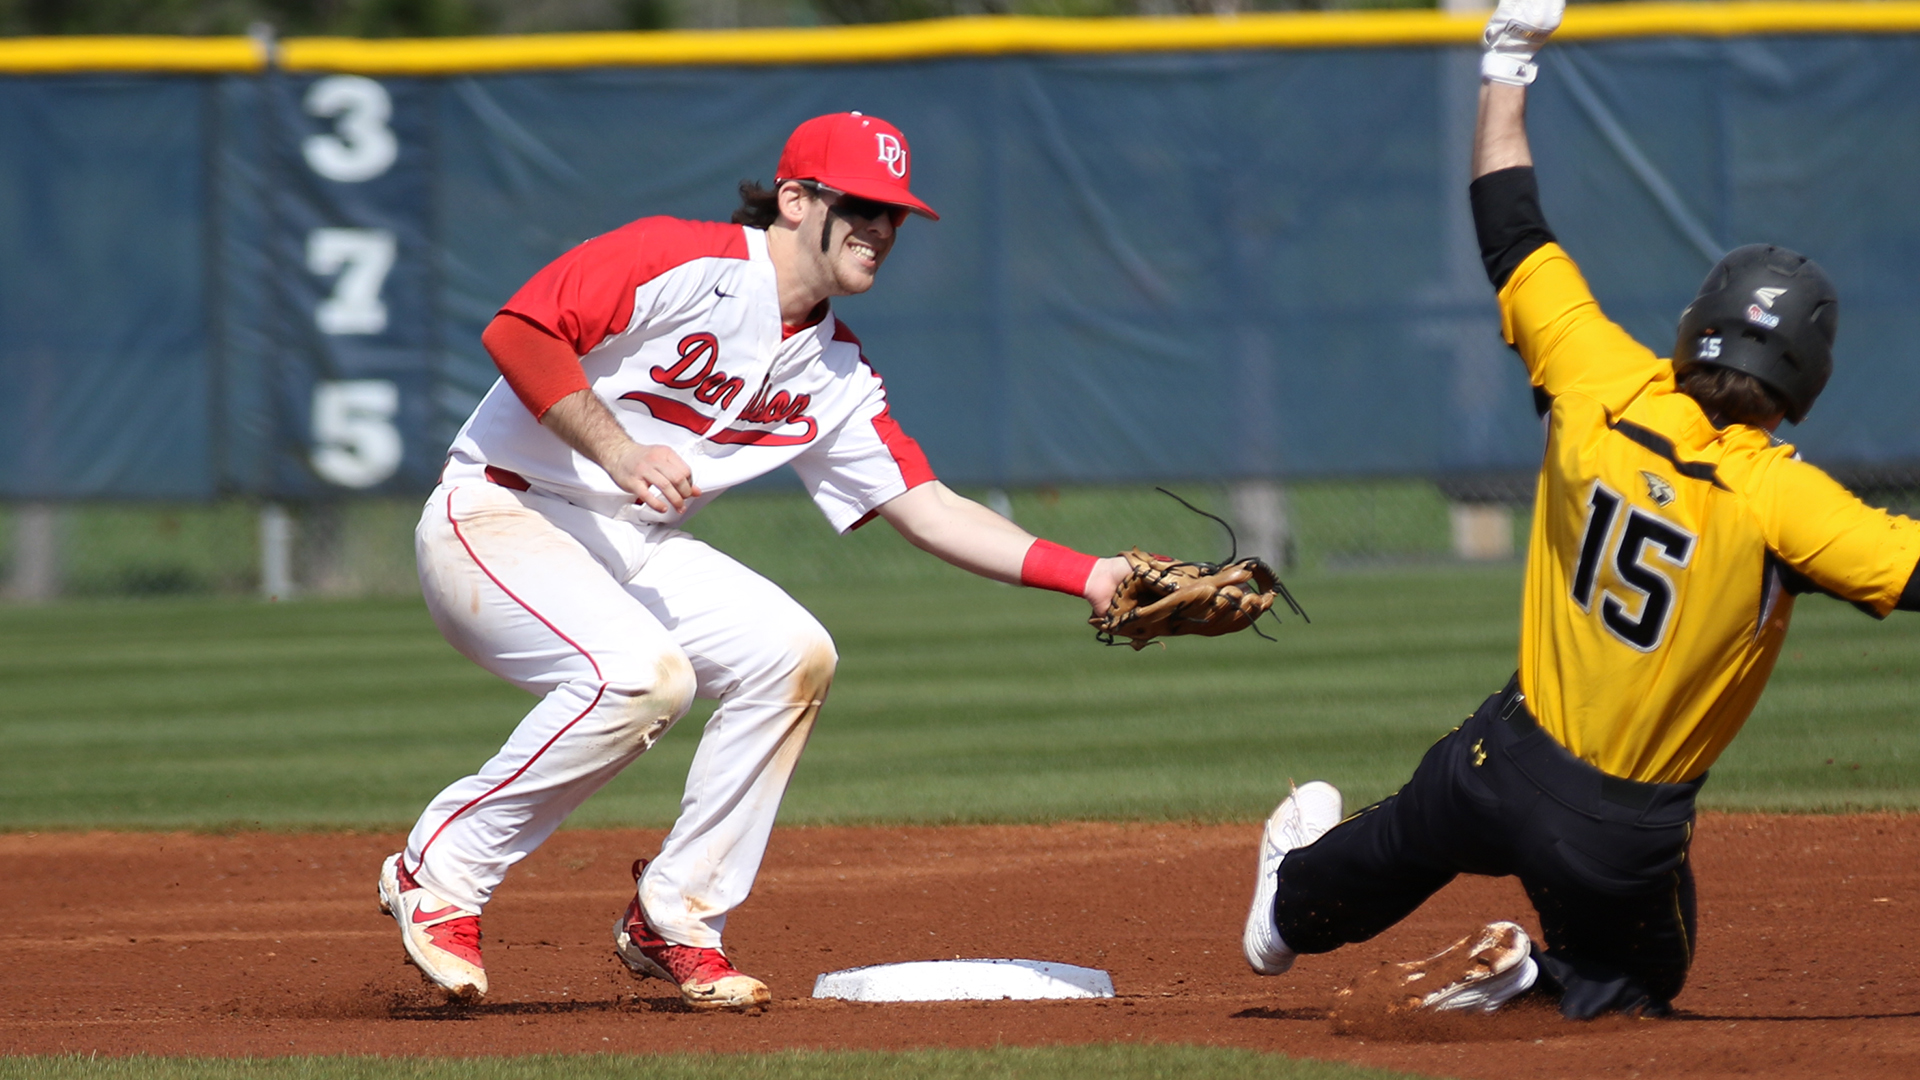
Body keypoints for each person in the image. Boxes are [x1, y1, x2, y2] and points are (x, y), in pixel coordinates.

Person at [1241, 0, 1920, 1020]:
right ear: (1805, 379)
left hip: (1495, 762)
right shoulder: (1783, 498)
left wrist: (1508, 59)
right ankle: (1533, 976)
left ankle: (1287, 911)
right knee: (1641, 978)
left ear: (1695, 328)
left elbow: (1508, 217)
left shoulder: (1601, 377)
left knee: (1373, 859)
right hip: (1616, 834)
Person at [377, 112, 1135, 1010]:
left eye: (896, 215)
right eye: (863, 206)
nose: (882, 230)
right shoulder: (677, 259)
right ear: (795, 200)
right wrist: (619, 451)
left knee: (793, 652)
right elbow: (522, 330)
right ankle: (439, 871)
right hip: (498, 510)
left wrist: (1091, 575)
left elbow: (927, 508)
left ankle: (677, 915)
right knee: (643, 677)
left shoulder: (835, 369)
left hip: (630, 542)